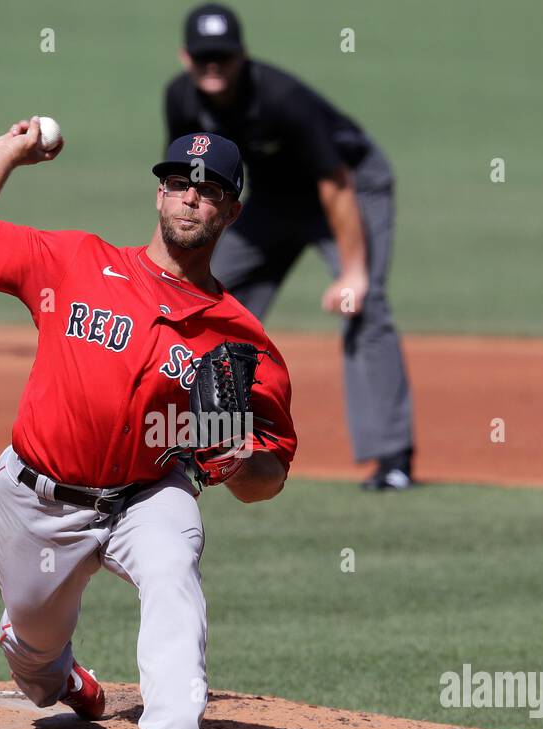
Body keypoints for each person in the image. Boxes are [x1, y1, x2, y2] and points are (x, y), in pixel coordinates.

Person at [0, 121, 297, 729]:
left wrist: (237, 461)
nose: (192, 197)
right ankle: (54, 668)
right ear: (160, 192)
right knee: (35, 658)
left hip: (147, 493)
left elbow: (269, 477)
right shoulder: (73, 262)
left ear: (230, 211)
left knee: (173, 574)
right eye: (180, 182)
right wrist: (7, 151)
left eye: (211, 189)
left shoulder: (240, 338)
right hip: (38, 497)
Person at [164, 3, 416, 489]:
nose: (212, 67)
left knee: (364, 305)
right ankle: (201, 436)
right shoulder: (181, 98)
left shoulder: (282, 98)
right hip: (275, 200)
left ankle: (394, 459)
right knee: (201, 294)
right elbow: (184, 183)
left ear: (243, 55)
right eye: (203, 57)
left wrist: (354, 273)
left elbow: (336, 182)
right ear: (184, 57)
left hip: (351, 186)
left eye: (223, 56)